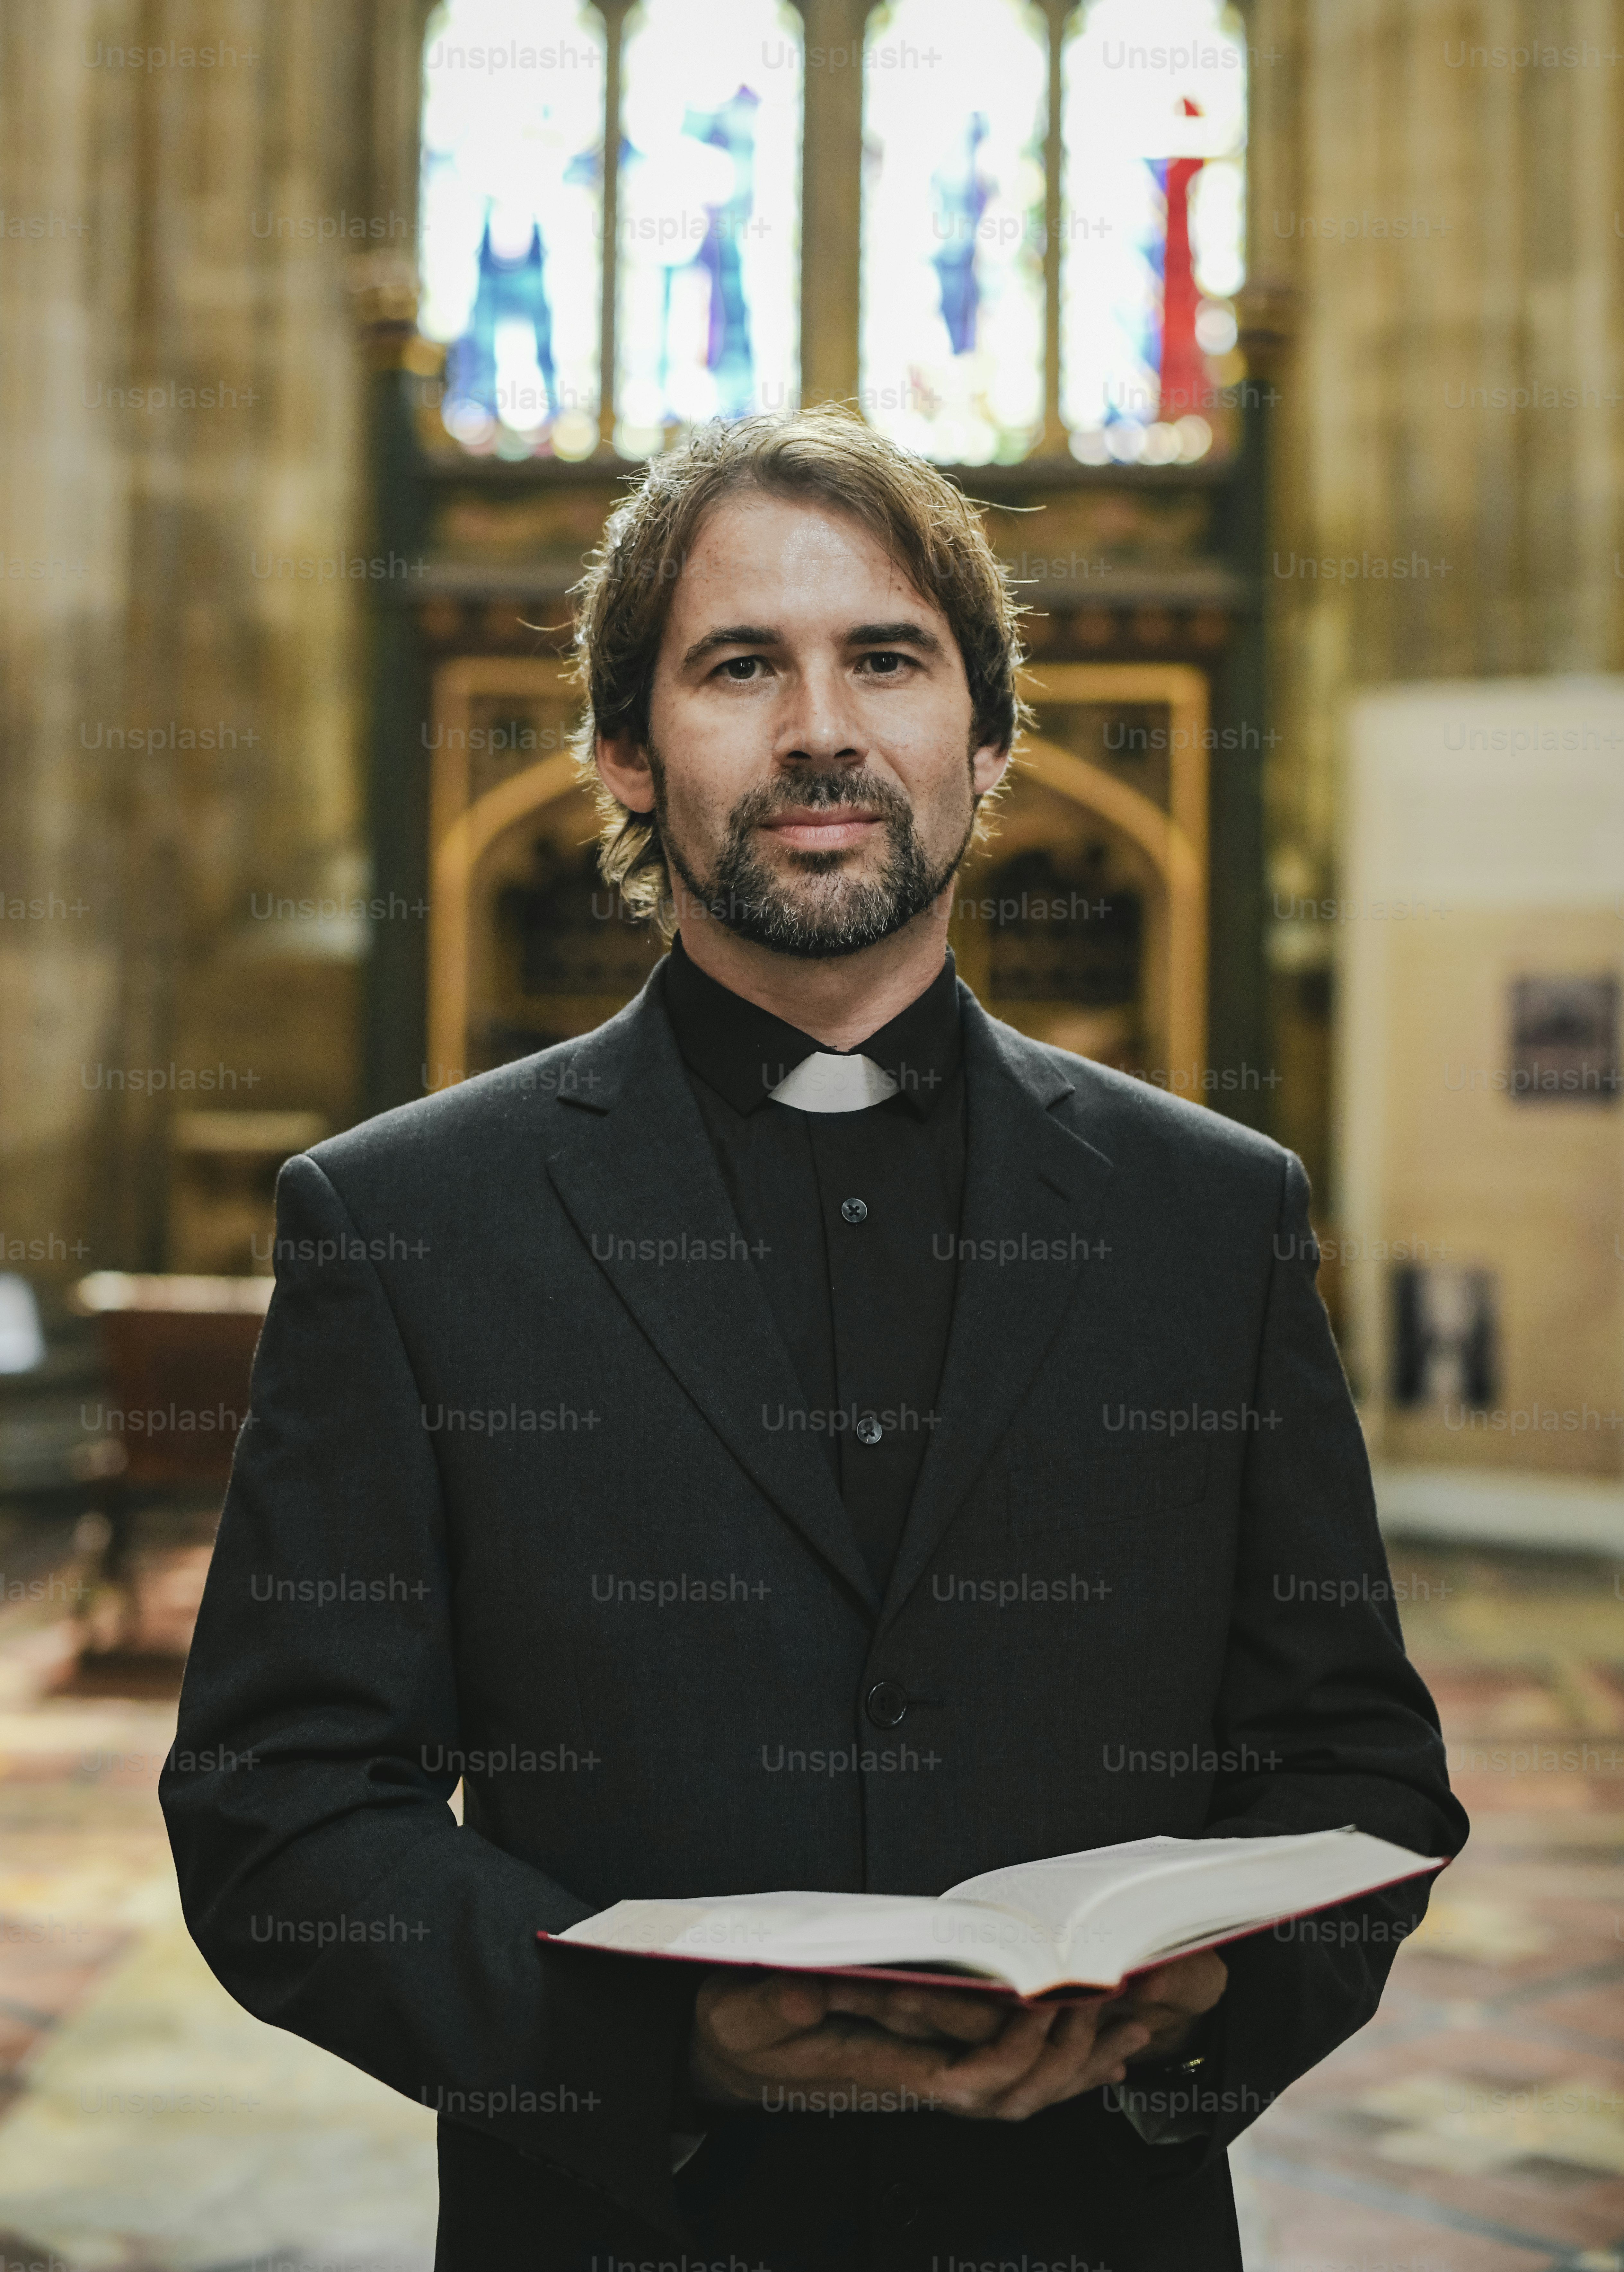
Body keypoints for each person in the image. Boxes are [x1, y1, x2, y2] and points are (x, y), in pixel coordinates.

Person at [161, 405, 1466, 2271]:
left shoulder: (1214, 1216)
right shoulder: (407, 1225)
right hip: (623, 2227)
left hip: (1093, 2222)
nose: (821, 729)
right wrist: (652, 2046)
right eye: (738, 665)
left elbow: (1359, 1768)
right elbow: (278, 1808)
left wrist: (1189, 2028)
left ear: (988, 735)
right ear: (621, 748)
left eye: (886, 658)